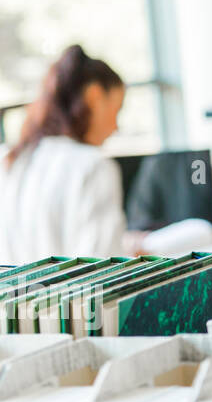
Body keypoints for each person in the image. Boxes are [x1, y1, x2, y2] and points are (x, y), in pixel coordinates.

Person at [0, 45, 128, 263]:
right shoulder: (93, 166)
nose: (116, 126)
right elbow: (100, 272)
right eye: (116, 110)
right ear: (95, 96)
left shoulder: (11, 159)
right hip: (75, 297)